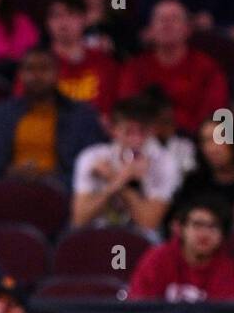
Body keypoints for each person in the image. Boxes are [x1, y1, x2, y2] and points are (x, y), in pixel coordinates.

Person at [0, 48, 105, 191]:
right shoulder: (0, 114)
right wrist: (10, 171)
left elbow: (91, 161)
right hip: (8, 184)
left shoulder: (81, 115)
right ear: (21, 74)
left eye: (44, 69)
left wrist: (46, 175)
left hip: (60, 188)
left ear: (57, 73)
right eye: (30, 69)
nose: (36, 76)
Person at [118, 0, 229, 135]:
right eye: (161, 19)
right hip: (144, 140)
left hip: (194, 141)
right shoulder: (135, 68)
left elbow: (214, 117)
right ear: (150, 30)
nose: (167, 24)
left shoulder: (208, 69)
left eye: (174, 19)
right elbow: (126, 112)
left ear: (188, 29)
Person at [71, 97, 180, 235]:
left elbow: (149, 223)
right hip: (98, 234)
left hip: (142, 239)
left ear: (152, 130)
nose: (136, 139)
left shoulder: (164, 162)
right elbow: (80, 218)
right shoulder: (93, 157)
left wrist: (116, 179)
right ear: (114, 130)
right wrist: (118, 182)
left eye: (143, 131)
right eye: (128, 132)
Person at [128, 194, 234, 302]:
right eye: (197, 224)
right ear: (181, 229)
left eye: (213, 226)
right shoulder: (158, 258)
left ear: (222, 235)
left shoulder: (226, 267)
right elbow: (139, 308)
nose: (204, 233)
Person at [165, 114, 234, 233]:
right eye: (206, 141)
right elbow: (176, 225)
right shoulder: (193, 184)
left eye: (219, 138)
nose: (212, 148)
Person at [45, 0, 120, 116]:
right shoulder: (36, 64)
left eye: (71, 14)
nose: (63, 22)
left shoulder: (104, 63)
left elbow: (114, 113)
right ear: (47, 22)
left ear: (84, 19)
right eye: (56, 15)